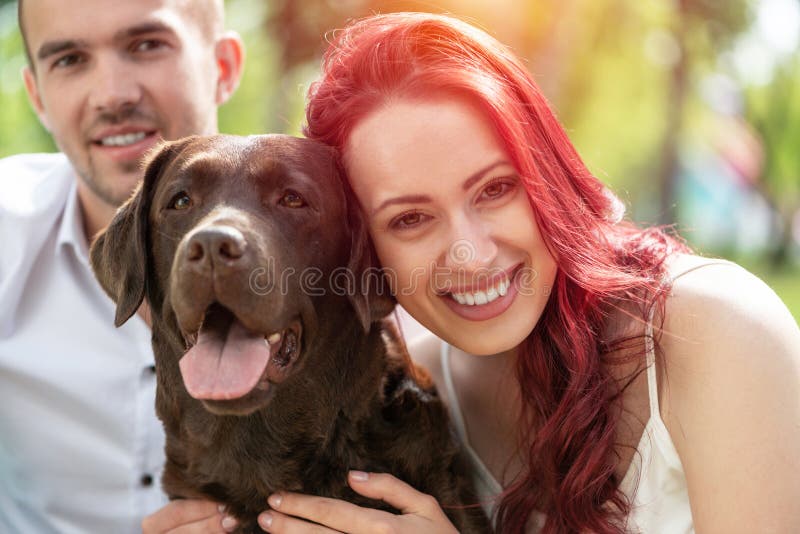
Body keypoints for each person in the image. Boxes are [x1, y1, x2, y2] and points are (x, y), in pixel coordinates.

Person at [253, 12, 800, 533]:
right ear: (362, 248)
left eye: (495, 189)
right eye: (411, 219)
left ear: (548, 175)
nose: (471, 253)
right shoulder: (410, 395)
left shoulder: (714, 332)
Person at [0, 0, 244, 532]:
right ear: (37, 96)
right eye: (69, 59)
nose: (113, 94)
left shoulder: (328, 248)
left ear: (221, 67)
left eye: (146, 45)